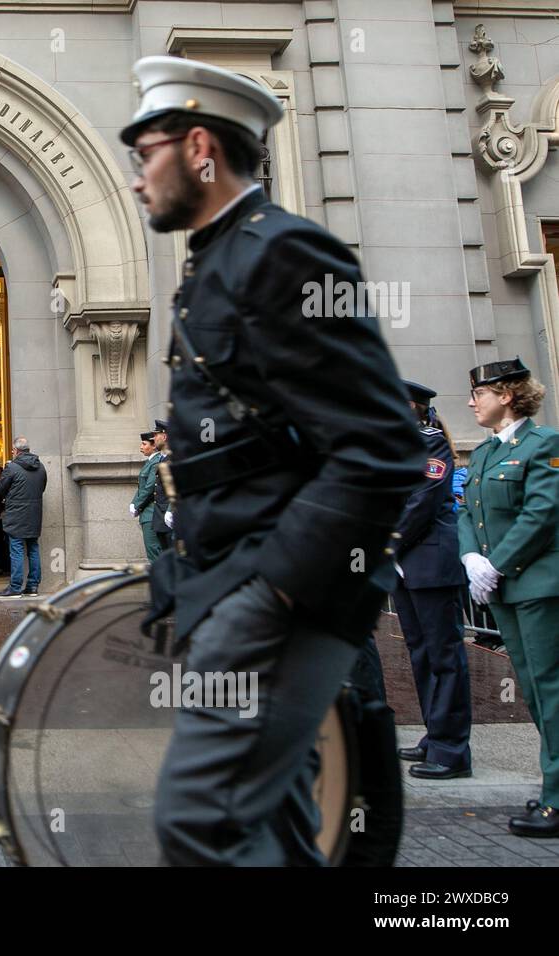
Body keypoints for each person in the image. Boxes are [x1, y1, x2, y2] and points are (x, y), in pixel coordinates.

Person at [123, 55, 424, 865]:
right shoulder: (219, 261)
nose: (135, 177)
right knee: (281, 832)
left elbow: (384, 445)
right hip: (232, 580)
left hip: (279, 592)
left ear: (197, 149)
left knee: (203, 821)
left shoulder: (282, 254)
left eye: (144, 151)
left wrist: (276, 592)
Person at [458, 357, 559, 837]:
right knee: (538, 696)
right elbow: (465, 514)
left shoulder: (544, 444)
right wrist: (470, 558)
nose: (473, 400)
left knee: (551, 692)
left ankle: (557, 798)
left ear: (509, 395)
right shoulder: (481, 455)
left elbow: (542, 513)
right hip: (504, 590)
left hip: (537, 585)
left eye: (481, 392)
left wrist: (495, 563)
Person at [387, 380, 473, 780]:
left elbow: (423, 499)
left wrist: (388, 543)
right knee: (421, 654)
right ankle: (434, 734)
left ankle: (453, 749)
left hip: (429, 561)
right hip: (406, 568)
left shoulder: (431, 442)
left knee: (444, 655)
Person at [0, 437, 48, 597]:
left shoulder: (12, 468)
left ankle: (15, 587)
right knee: (33, 548)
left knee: (16, 550)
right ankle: (32, 586)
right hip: (34, 514)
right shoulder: (41, 467)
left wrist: (6, 471)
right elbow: (42, 488)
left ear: (16, 451)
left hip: (16, 515)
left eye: (12, 450)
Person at [130, 431, 162, 562]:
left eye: (144, 444)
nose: (141, 447)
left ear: (154, 446)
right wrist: (134, 503)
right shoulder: (150, 462)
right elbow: (142, 488)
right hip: (147, 512)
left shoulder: (155, 462)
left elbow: (149, 488)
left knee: (154, 551)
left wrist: (136, 504)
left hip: (151, 513)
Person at [150, 420, 173, 551]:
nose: (154, 438)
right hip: (160, 516)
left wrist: (171, 510)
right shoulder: (162, 459)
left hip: (170, 515)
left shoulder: (173, 458)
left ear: (164, 436)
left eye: (156, 435)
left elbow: (177, 487)